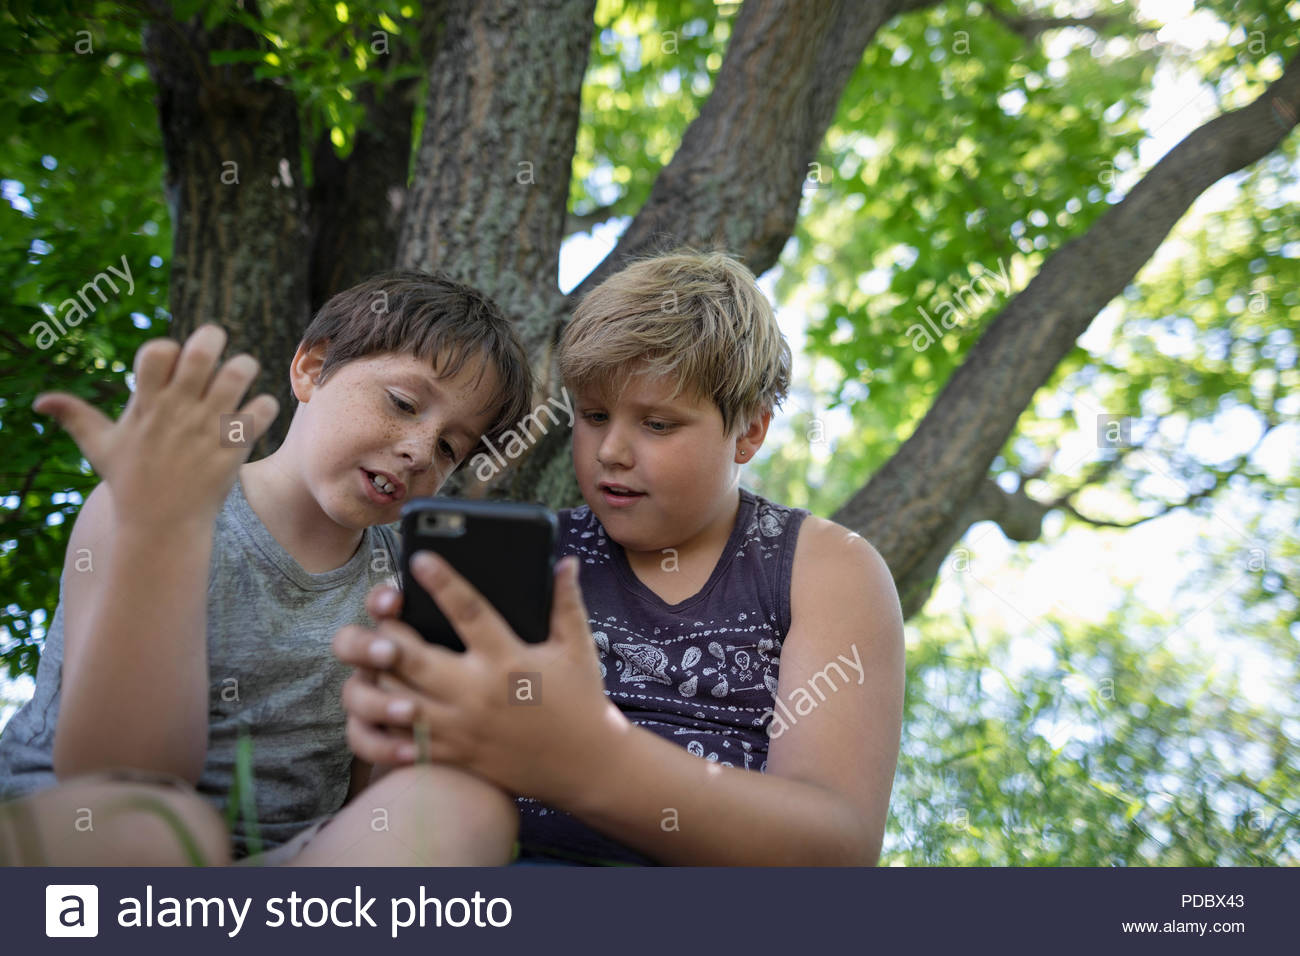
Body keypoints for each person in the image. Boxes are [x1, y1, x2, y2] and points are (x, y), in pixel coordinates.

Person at [333, 250, 906, 865]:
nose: (611, 450)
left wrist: (588, 762)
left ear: (749, 432)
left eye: (658, 424)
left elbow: (837, 848)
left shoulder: (824, 569)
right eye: (594, 415)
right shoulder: (528, 556)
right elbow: (394, 800)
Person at [0, 271, 534, 866]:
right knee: (158, 829)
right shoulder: (162, 505)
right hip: (90, 830)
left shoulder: (402, 576)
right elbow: (118, 771)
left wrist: (422, 710)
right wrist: (159, 534)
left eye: (448, 449)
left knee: (463, 808)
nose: (419, 448)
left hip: (284, 864)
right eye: (403, 403)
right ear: (312, 368)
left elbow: (372, 800)